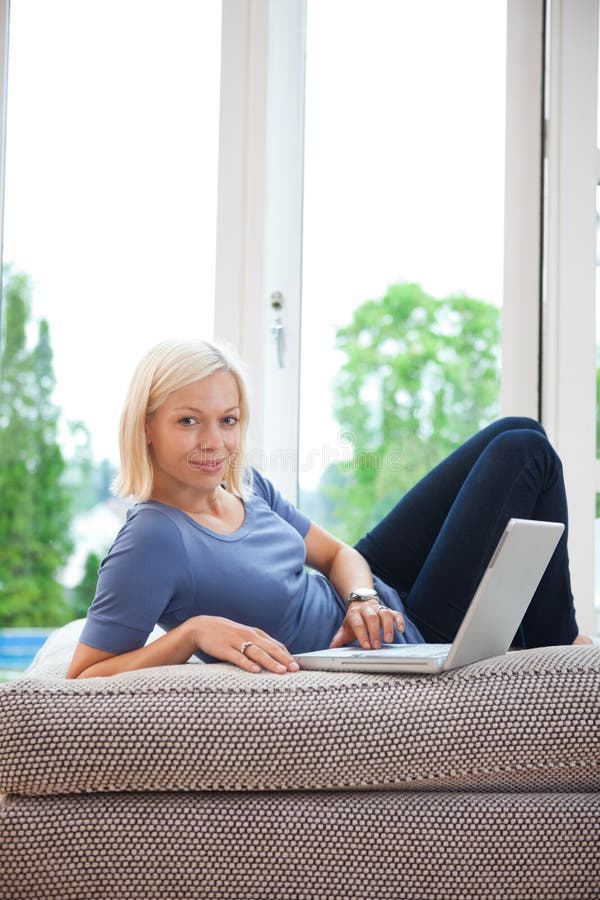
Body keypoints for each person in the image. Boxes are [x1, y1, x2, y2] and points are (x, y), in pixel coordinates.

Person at [67, 339, 596, 680]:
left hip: (373, 603)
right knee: (525, 455)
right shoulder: (152, 539)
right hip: (401, 639)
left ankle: (549, 633)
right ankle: (556, 643)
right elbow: (84, 675)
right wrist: (192, 632)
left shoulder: (245, 486)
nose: (214, 442)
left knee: (515, 431)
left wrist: (362, 598)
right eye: (188, 421)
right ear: (146, 428)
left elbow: (338, 553)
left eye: (227, 420)